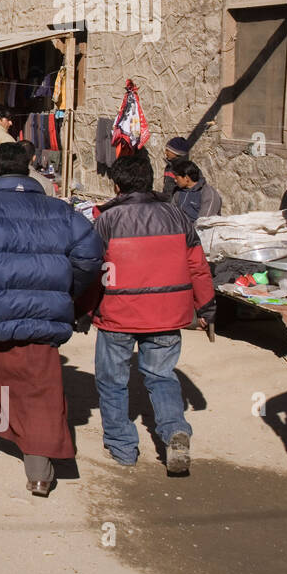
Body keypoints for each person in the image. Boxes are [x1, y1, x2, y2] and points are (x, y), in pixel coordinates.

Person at [0, 142, 104, 497]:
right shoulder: (61, 211)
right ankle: (38, 470)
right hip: (43, 316)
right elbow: (91, 255)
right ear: (28, 170)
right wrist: (65, 291)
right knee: (39, 388)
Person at [80, 154, 214, 474]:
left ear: (116, 184)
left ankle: (123, 446)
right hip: (167, 313)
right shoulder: (177, 216)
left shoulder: (105, 220)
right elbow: (198, 266)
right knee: (161, 376)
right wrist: (206, 307)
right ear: (151, 180)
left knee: (113, 381)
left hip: (118, 314)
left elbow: (91, 271)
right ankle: (174, 431)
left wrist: (83, 309)